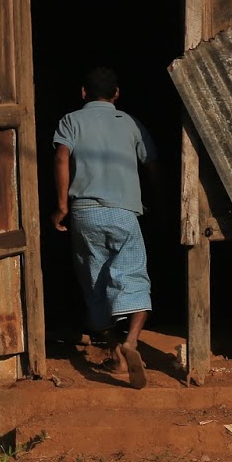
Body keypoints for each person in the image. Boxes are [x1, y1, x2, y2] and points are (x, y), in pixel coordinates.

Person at [52, 66, 161, 389]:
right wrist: (161, 204)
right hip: (124, 213)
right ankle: (132, 341)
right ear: (116, 94)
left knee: (95, 282)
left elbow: (61, 158)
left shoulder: (71, 121)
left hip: (85, 214)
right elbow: (152, 166)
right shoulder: (130, 124)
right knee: (133, 277)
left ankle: (114, 349)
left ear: (83, 93)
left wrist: (61, 207)